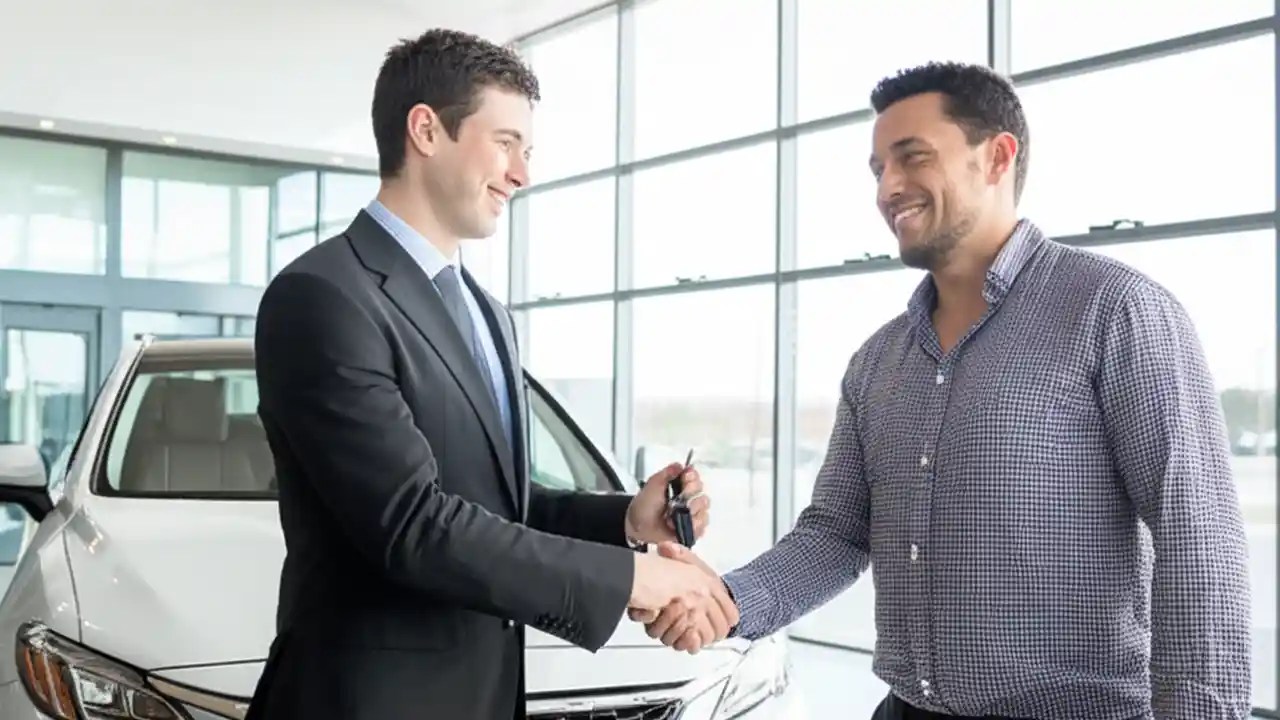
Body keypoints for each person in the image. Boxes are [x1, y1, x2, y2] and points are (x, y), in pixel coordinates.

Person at [635, 61, 1252, 719]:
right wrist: (728, 603)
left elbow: (1197, 532)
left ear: (997, 157)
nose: (887, 188)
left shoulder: (1114, 311)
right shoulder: (878, 360)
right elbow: (837, 535)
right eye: (877, 169)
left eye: (912, 157)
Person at [246, 28, 736, 720]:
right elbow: (413, 524)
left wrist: (627, 520)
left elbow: (497, 505)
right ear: (426, 130)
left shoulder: (487, 314)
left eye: (527, 151)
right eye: (505, 143)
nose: (522, 174)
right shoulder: (324, 296)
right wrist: (637, 578)